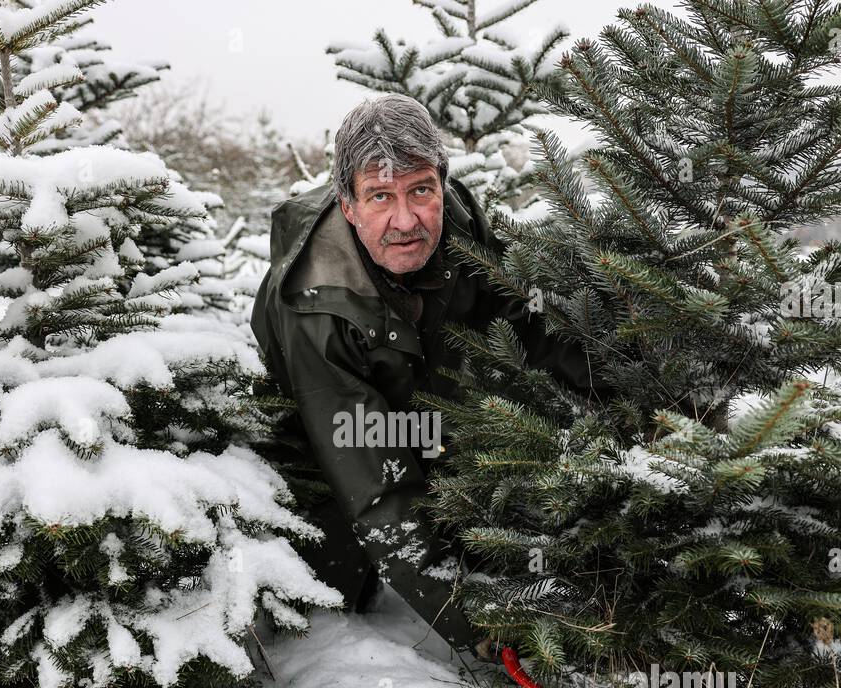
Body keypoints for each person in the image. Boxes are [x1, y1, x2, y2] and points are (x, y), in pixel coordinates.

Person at [250, 93, 592, 655]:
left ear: (442, 184)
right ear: (349, 204)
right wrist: (472, 625)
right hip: (326, 450)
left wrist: (630, 388)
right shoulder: (316, 306)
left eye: (420, 191)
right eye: (380, 196)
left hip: (428, 414)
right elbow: (371, 480)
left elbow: (533, 330)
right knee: (333, 595)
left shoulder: (461, 227)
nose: (405, 221)